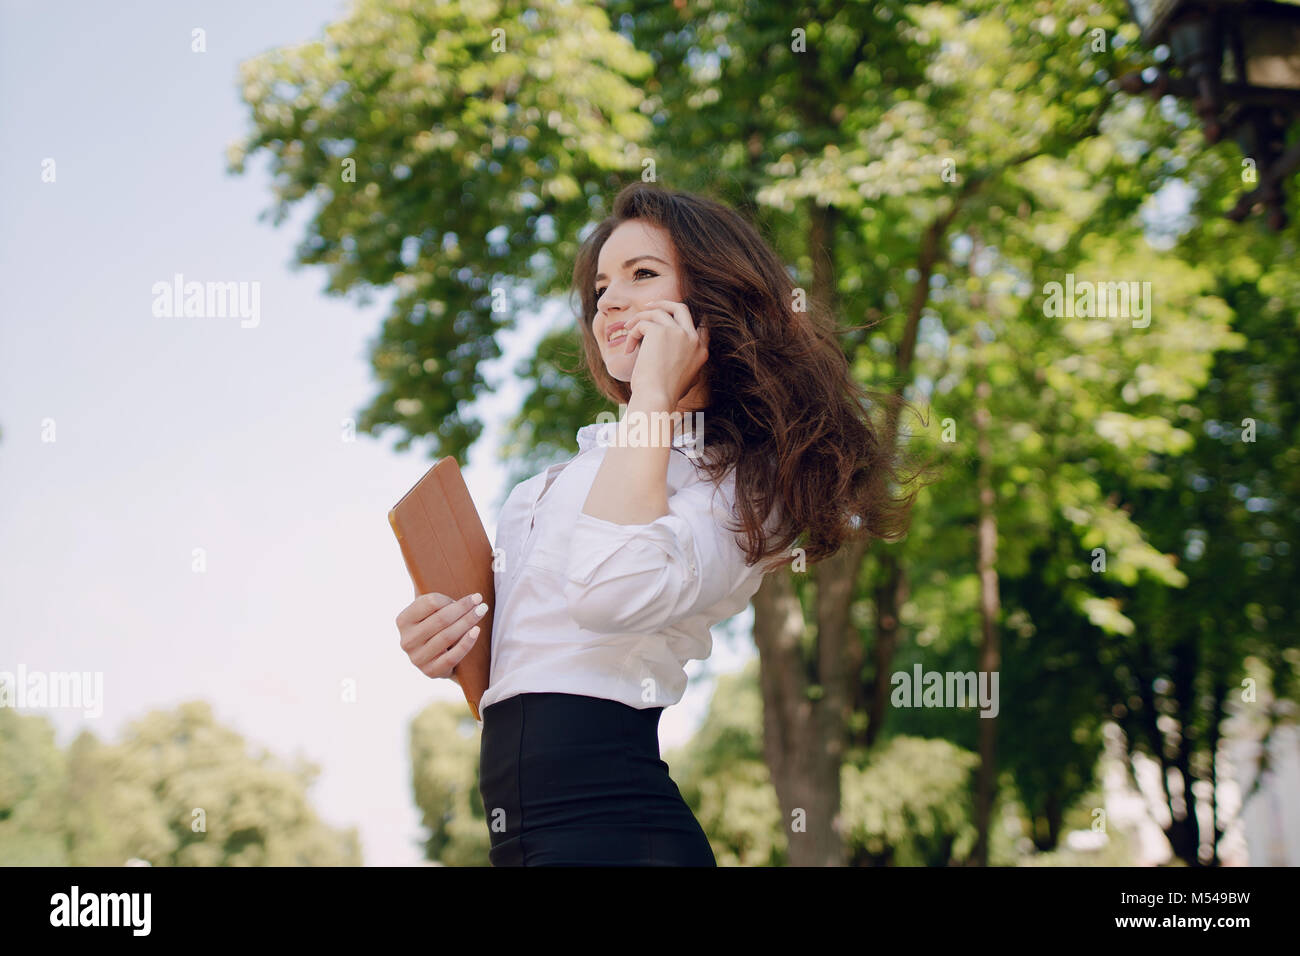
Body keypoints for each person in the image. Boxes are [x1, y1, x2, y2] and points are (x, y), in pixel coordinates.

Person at [395, 183, 921, 866]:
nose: (608, 302)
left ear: (713, 295)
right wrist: (445, 641)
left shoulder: (741, 482)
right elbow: (534, 652)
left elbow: (611, 592)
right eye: (601, 288)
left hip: (618, 831)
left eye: (643, 275)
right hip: (520, 837)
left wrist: (652, 395)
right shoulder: (558, 480)